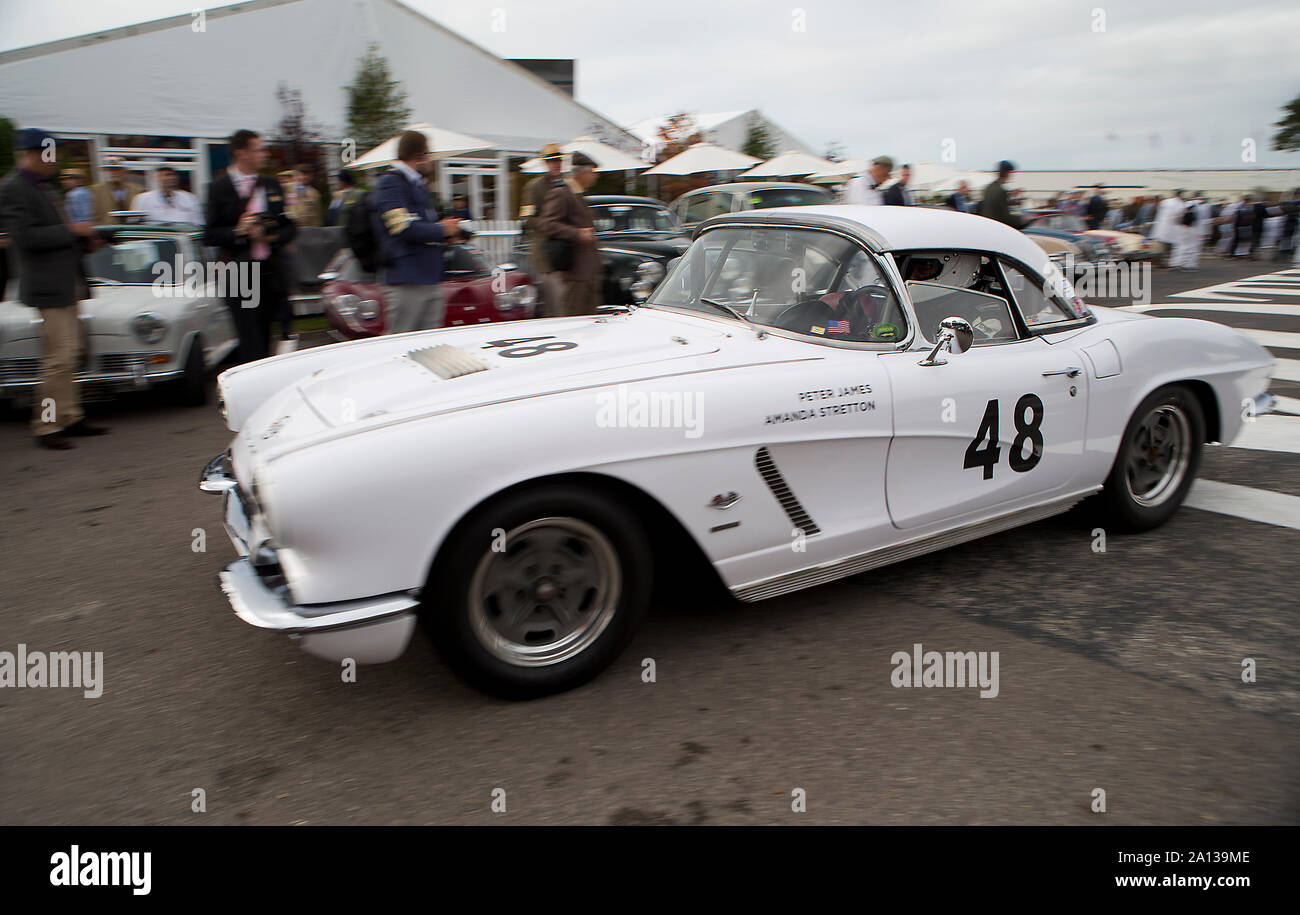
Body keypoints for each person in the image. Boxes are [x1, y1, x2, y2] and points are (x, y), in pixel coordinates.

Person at [0, 128, 109, 449]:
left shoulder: (42, 187)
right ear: (32, 154)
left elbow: (49, 235)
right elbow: (26, 238)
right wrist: (71, 229)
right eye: (50, 153)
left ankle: (70, 416)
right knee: (58, 358)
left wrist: (83, 242)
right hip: (49, 286)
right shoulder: (15, 188)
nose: (54, 160)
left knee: (70, 354)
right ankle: (46, 425)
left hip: (65, 282)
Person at [203, 129, 296, 363]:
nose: (264, 154)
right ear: (241, 154)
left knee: (265, 337)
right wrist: (238, 231)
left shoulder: (272, 185)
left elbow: (290, 227)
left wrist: (269, 237)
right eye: (259, 150)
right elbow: (209, 235)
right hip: (239, 273)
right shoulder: (219, 187)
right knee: (248, 338)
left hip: (270, 271)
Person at [372, 129, 462, 333]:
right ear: (418, 156)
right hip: (406, 279)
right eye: (429, 154)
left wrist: (446, 234)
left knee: (430, 344)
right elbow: (401, 228)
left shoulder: (418, 186)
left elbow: (422, 226)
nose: (431, 160)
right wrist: (441, 229)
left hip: (430, 277)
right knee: (402, 347)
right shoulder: (390, 183)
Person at [540, 150, 600, 316]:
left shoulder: (578, 195)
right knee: (574, 321)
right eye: (592, 172)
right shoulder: (561, 194)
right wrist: (577, 234)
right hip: (575, 273)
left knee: (589, 323)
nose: (595, 176)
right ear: (581, 173)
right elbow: (547, 224)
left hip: (587, 273)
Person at [519, 143, 566, 313]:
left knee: (565, 302)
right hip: (546, 252)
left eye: (558, 160)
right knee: (554, 302)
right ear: (545, 164)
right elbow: (527, 218)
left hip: (566, 253)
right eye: (551, 161)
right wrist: (549, 225)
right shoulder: (534, 187)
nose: (556, 164)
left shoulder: (566, 185)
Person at [133, 167, 203, 224]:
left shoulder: (189, 198)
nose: (170, 178)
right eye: (166, 175)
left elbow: (198, 221)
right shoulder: (143, 198)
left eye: (172, 175)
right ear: (157, 178)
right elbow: (134, 222)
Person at [90, 156, 143, 223]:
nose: (113, 173)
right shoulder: (95, 191)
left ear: (124, 171)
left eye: (117, 169)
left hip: (132, 231)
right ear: (104, 172)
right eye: (109, 170)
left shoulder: (138, 190)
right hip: (106, 231)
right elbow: (92, 216)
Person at [978, 160, 1022, 228]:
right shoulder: (1001, 191)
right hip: (997, 227)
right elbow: (1005, 217)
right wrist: (1022, 220)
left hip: (987, 225)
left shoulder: (988, 188)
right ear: (1007, 173)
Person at [1151, 190, 1185, 265]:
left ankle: (1158, 261)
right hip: (1173, 228)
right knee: (1174, 247)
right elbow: (1180, 217)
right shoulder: (1181, 204)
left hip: (1161, 227)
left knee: (1159, 246)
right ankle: (1173, 263)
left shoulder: (1165, 202)